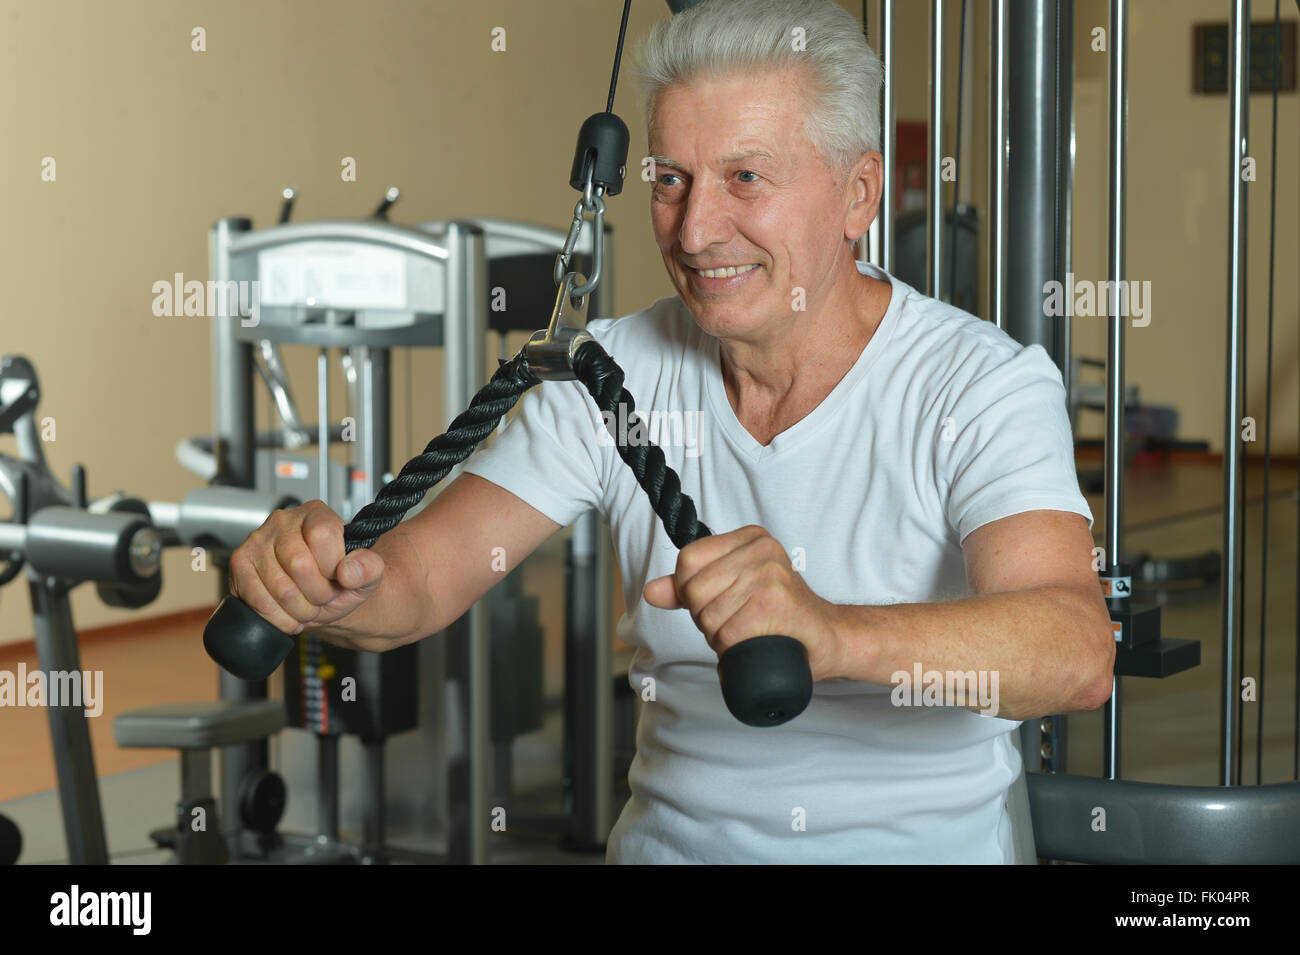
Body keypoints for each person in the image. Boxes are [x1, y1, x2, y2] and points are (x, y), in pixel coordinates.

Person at [228, 0, 1114, 863]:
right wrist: (321, 582)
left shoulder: (977, 384)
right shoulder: (615, 369)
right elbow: (419, 581)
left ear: (859, 194)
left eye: (746, 178)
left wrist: (831, 632)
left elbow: (1075, 653)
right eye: (669, 180)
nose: (694, 230)